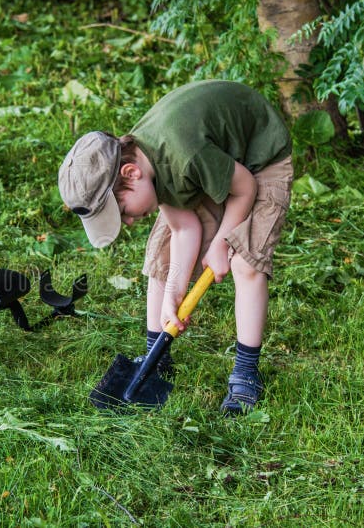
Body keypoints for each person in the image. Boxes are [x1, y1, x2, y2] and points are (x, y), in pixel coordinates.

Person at [58, 80, 293, 415]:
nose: (126, 222)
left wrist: (224, 241)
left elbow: (244, 188)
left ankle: (245, 373)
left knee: (245, 262)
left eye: (122, 211)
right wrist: (174, 292)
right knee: (162, 255)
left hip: (259, 161)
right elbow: (185, 229)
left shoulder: (184, 155)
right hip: (217, 162)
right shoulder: (146, 162)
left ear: (131, 172)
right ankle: (156, 357)